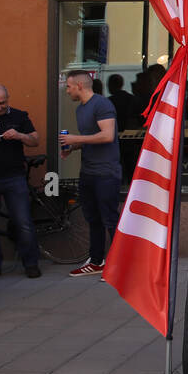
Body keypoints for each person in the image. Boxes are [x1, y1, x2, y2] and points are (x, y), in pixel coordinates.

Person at [0, 84, 42, 281]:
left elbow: (35, 140)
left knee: (23, 223)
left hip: (14, 177)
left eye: (2, 103)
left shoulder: (19, 116)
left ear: (8, 99)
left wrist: (20, 135)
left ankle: (31, 264)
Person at [62, 70, 120, 277]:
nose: (66, 90)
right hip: (88, 171)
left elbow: (107, 135)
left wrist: (76, 140)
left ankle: (120, 266)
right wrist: (73, 147)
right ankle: (97, 261)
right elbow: (90, 138)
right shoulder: (80, 109)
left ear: (79, 86)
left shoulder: (102, 104)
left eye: (68, 86)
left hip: (106, 171)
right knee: (93, 219)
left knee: (110, 219)